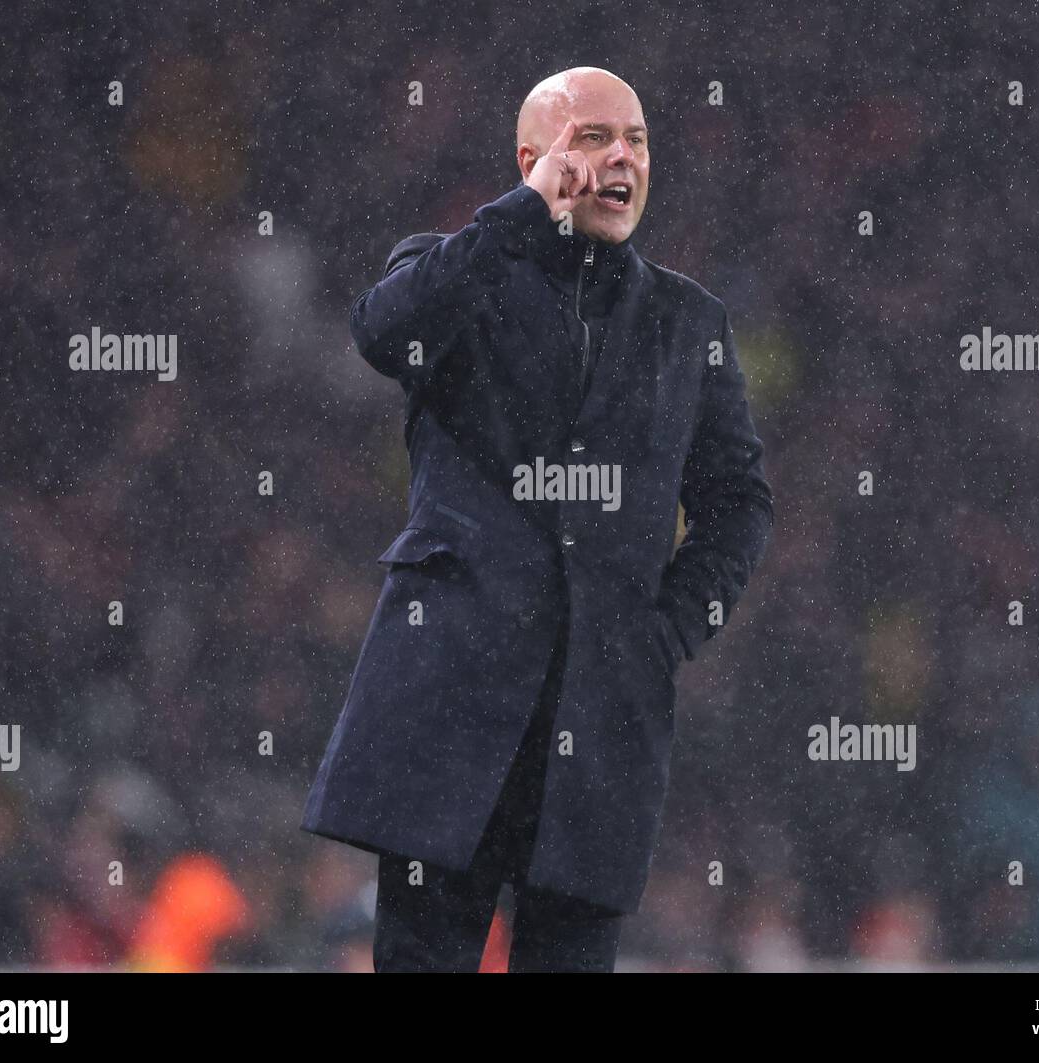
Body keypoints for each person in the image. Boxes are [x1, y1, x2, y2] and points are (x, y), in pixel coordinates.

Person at [302, 66, 773, 972]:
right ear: (532, 161)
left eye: (637, 139)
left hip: (603, 722)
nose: (622, 156)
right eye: (593, 136)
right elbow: (381, 334)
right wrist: (520, 217)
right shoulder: (456, 271)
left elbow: (739, 503)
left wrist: (667, 632)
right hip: (450, 700)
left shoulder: (691, 323)